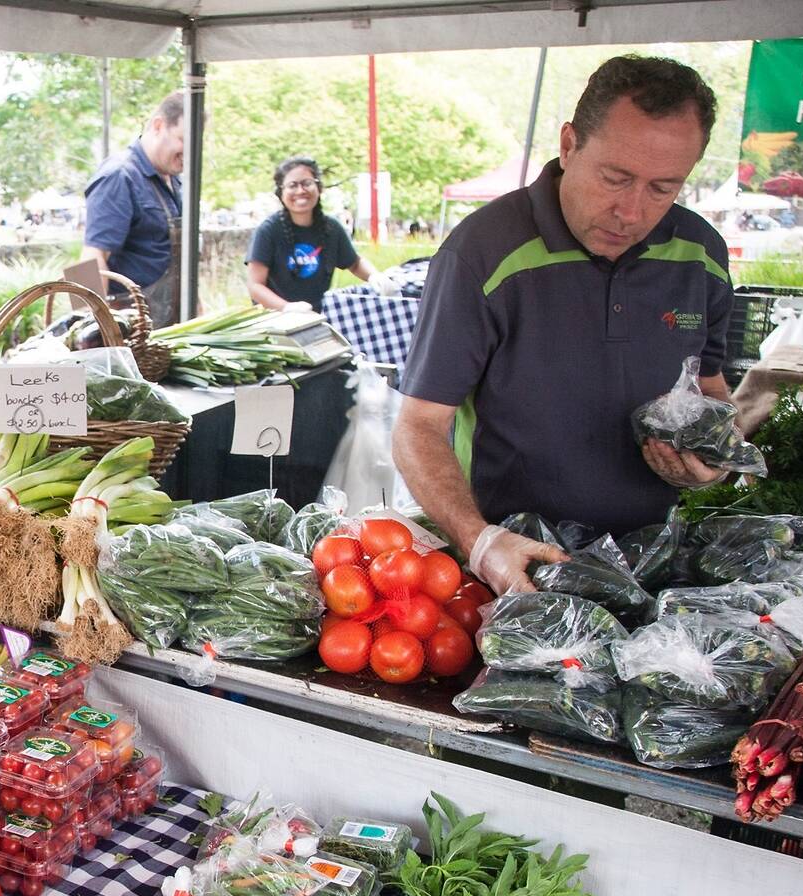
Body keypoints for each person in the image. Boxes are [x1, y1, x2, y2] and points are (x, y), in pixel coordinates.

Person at [392, 55, 733, 594]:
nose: (632, 211)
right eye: (615, 178)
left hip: (655, 564)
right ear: (570, 144)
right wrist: (478, 541)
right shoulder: (483, 252)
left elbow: (710, 391)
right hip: (515, 567)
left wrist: (709, 459)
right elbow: (418, 426)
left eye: (663, 188)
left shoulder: (703, 254)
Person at [82, 91, 187, 327]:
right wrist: (92, 327)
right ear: (159, 126)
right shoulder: (119, 176)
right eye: (184, 140)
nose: (189, 152)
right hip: (130, 328)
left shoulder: (175, 181)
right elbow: (90, 259)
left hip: (170, 327)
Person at [245, 157, 386, 312]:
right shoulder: (268, 231)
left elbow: (354, 263)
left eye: (307, 183)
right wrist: (286, 307)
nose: (300, 191)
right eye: (292, 185)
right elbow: (255, 285)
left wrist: (375, 276)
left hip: (318, 317)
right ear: (281, 192)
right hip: (274, 320)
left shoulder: (331, 228)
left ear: (318, 188)